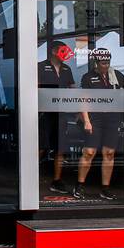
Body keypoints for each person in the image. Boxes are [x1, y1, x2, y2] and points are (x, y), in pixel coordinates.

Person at [75, 48, 124, 201]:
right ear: (96, 63)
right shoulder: (88, 77)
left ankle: (105, 188)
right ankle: (80, 185)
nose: (106, 65)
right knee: (89, 152)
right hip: (95, 118)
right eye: (103, 63)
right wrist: (86, 120)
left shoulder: (116, 75)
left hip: (113, 118)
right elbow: (84, 99)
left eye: (108, 62)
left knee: (109, 153)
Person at [38, 41, 77, 195]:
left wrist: (77, 109)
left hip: (62, 114)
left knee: (60, 147)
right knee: (41, 146)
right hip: (44, 113)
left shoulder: (67, 69)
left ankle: (57, 180)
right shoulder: (40, 66)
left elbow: (72, 90)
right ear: (54, 51)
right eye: (62, 50)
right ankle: (30, 177)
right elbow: (35, 87)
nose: (65, 53)